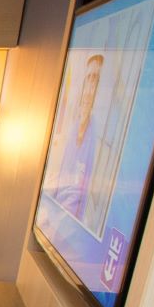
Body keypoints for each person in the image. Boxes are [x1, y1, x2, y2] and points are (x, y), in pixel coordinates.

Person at [48, 53, 103, 220]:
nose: (90, 88)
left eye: (95, 80)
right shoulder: (73, 129)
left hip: (69, 219)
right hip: (58, 211)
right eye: (89, 78)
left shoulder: (94, 134)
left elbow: (83, 190)